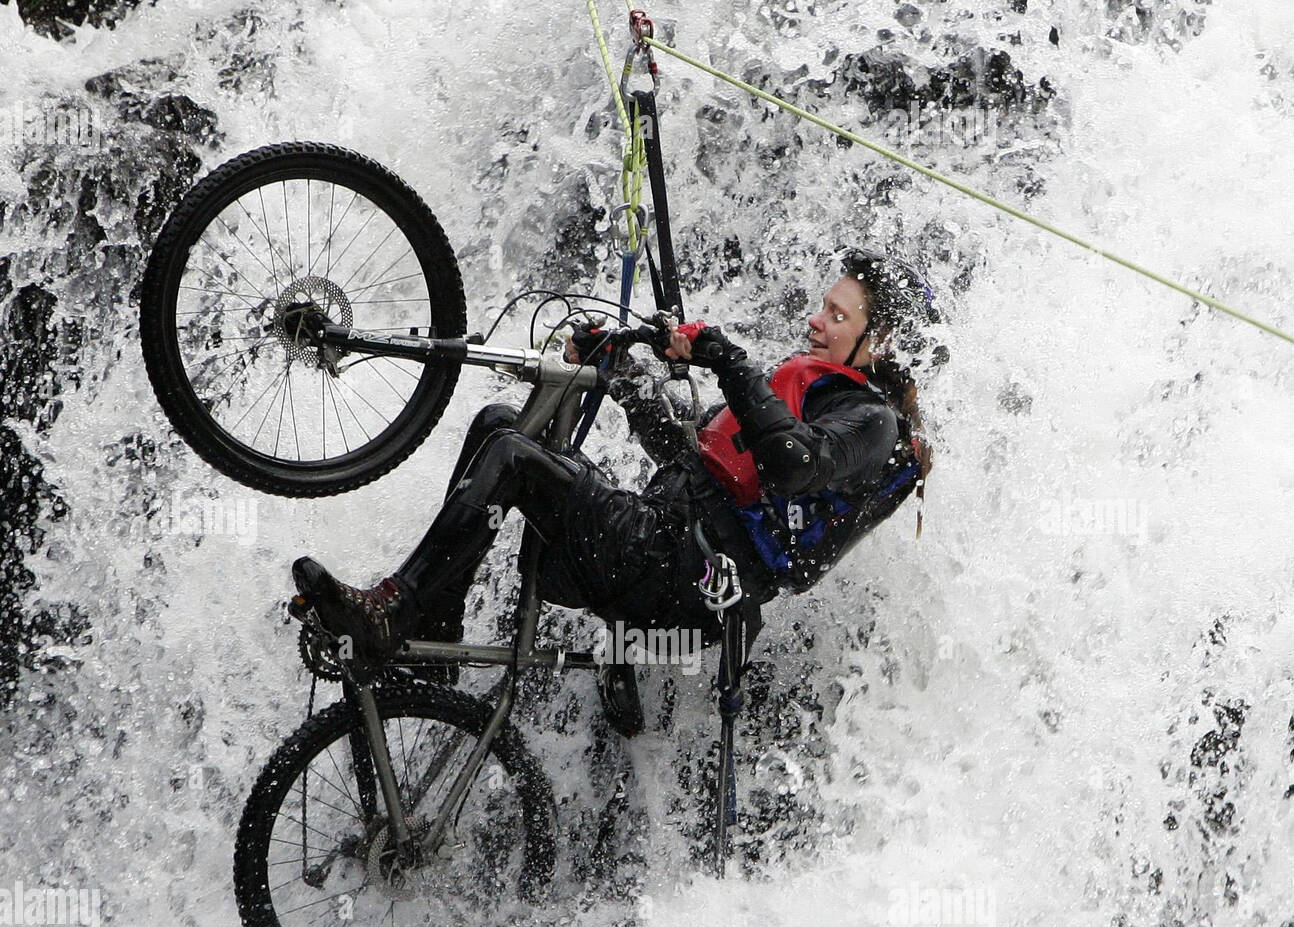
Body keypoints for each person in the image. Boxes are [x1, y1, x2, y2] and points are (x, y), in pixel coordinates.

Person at [291, 248, 942, 734]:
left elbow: (794, 467)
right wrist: (617, 366)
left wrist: (726, 358)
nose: (816, 321)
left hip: (681, 580)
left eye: (837, 314)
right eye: (822, 306)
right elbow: (684, 454)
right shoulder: (808, 388)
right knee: (499, 425)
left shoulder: (872, 422)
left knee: (514, 458)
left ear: (876, 341)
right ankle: (432, 623)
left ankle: (390, 612)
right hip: (650, 547)